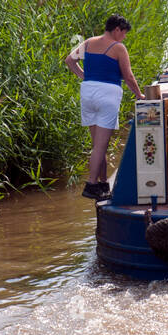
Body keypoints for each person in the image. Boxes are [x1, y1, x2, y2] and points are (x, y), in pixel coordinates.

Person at [66, 15, 143, 199]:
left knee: (98, 146)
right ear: (117, 29)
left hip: (88, 92)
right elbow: (129, 76)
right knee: (100, 146)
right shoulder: (118, 48)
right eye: (124, 33)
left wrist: (84, 76)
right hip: (107, 95)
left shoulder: (88, 43)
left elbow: (70, 61)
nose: (124, 37)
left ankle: (103, 184)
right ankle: (91, 185)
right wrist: (139, 95)